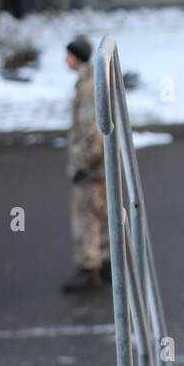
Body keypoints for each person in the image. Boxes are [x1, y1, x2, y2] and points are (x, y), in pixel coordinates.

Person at [63, 37, 108, 293]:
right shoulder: (88, 81)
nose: (64, 60)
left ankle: (88, 266)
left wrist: (83, 163)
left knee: (86, 214)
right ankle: (105, 261)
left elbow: (92, 130)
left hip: (89, 163)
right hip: (96, 162)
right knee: (100, 210)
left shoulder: (88, 87)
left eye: (68, 55)